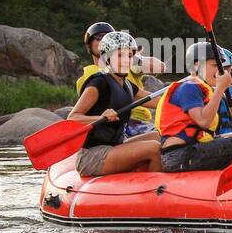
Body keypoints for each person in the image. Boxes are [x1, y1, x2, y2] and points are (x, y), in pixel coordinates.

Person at [67, 30, 162, 176]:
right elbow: (73, 118)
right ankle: (156, 191)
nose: (125, 60)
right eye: (119, 55)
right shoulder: (98, 83)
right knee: (154, 148)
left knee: (160, 136)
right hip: (92, 156)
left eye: (129, 56)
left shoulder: (128, 85)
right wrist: (99, 118)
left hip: (116, 146)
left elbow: (159, 101)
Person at [155, 43, 232, 173]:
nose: (219, 71)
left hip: (189, 150)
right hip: (180, 156)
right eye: (215, 65)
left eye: (221, 66)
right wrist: (221, 88)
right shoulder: (189, 86)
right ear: (196, 65)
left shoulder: (200, 87)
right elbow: (204, 121)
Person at [78, 21, 164, 138]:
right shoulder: (88, 78)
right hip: (113, 124)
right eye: (99, 38)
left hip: (140, 120)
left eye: (109, 38)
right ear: (89, 45)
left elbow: (160, 67)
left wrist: (133, 57)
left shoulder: (129, 65)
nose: (104, 41)